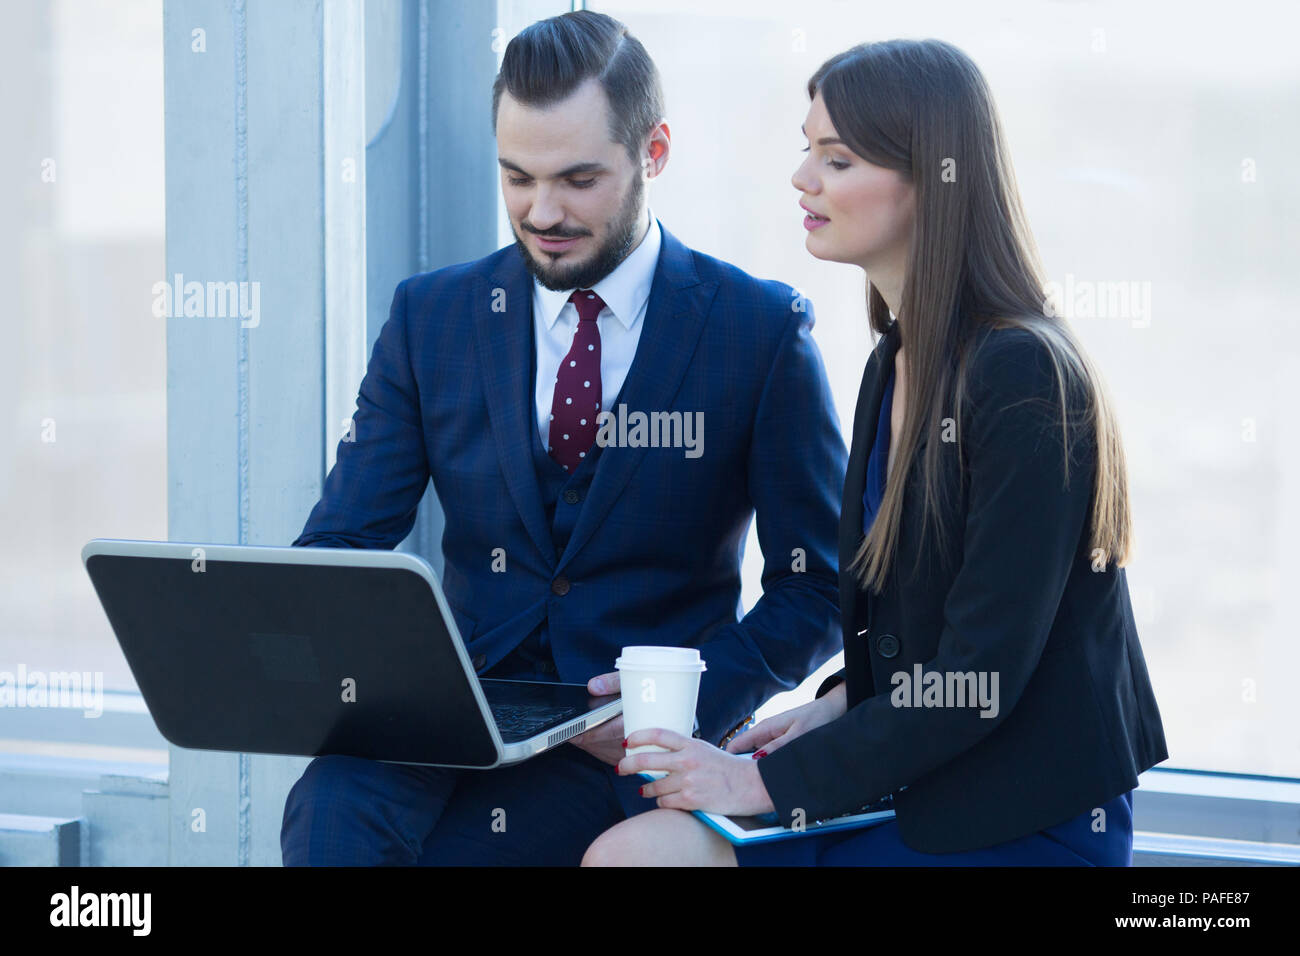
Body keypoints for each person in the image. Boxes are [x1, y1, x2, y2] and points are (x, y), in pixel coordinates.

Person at [279, 10, 848, 866]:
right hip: (448, 713)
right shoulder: (430, 317)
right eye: (518, 177)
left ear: (654, 152)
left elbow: (819, 590)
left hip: (625, 747)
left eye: (578, 180)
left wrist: (677, 706)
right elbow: (342, 542)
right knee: (327, 810)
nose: (541, 212)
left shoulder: (758, 331)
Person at [582, 38, 1168, 867]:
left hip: (1014, 818)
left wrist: (758, 786)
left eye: (838, 158)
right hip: (923, 786)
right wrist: (832, 707)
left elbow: (982, 675)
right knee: (632, 851)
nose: (803, 179)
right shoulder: (891, 363)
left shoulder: (1025, 375)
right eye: (807, 151)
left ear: (932, 179)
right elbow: (922, 628)